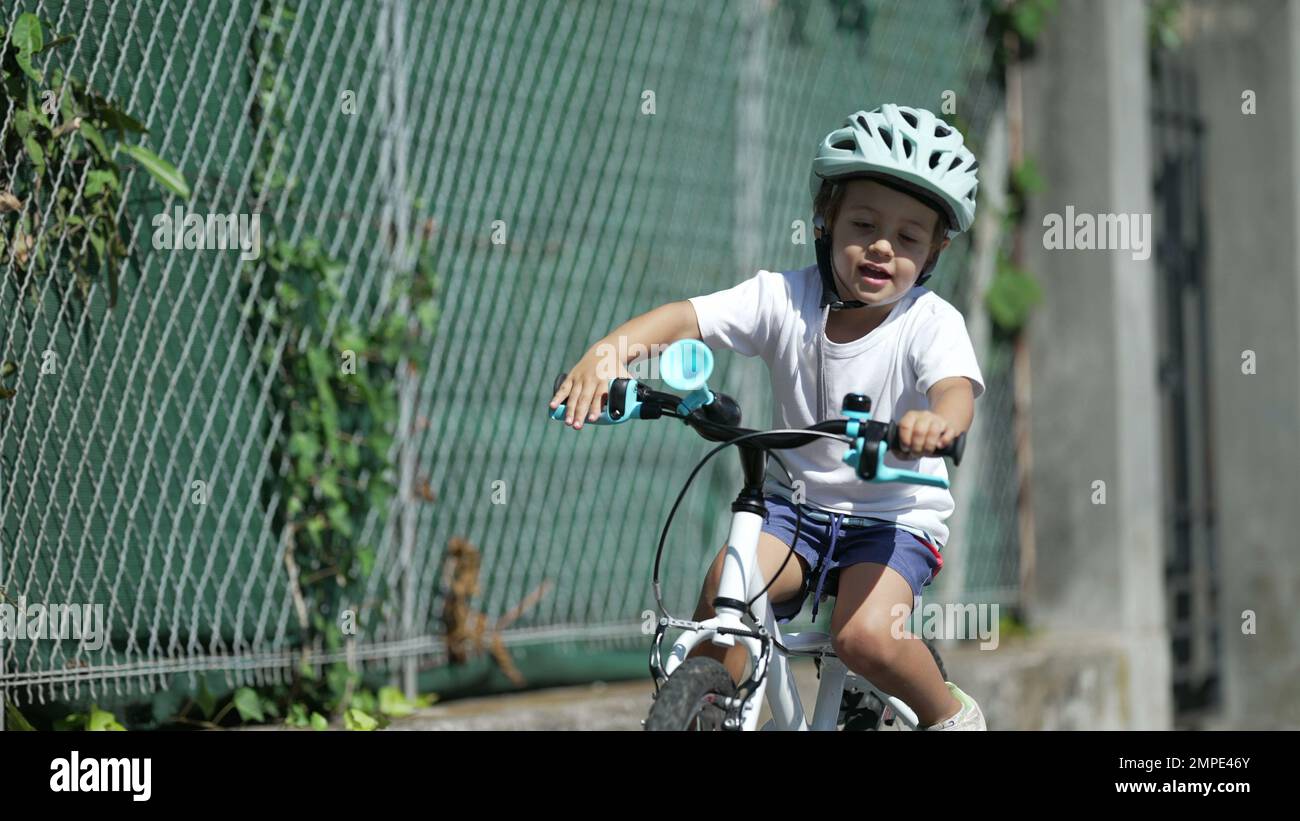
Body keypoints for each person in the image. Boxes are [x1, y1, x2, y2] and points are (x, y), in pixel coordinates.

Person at [549, 104, 987, 730]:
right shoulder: (783, 298)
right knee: (722, 602)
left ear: (936, 250)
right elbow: (686, 318)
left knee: (865, 638)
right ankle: (710, 711)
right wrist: (608, 354)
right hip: (795, 507)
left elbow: (954, 391)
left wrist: (938, 425)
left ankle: (951, 715)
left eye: (910, 237)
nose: (883, 246)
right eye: (863, 223)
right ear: (826, 217)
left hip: (892, 517)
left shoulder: (930, 323)